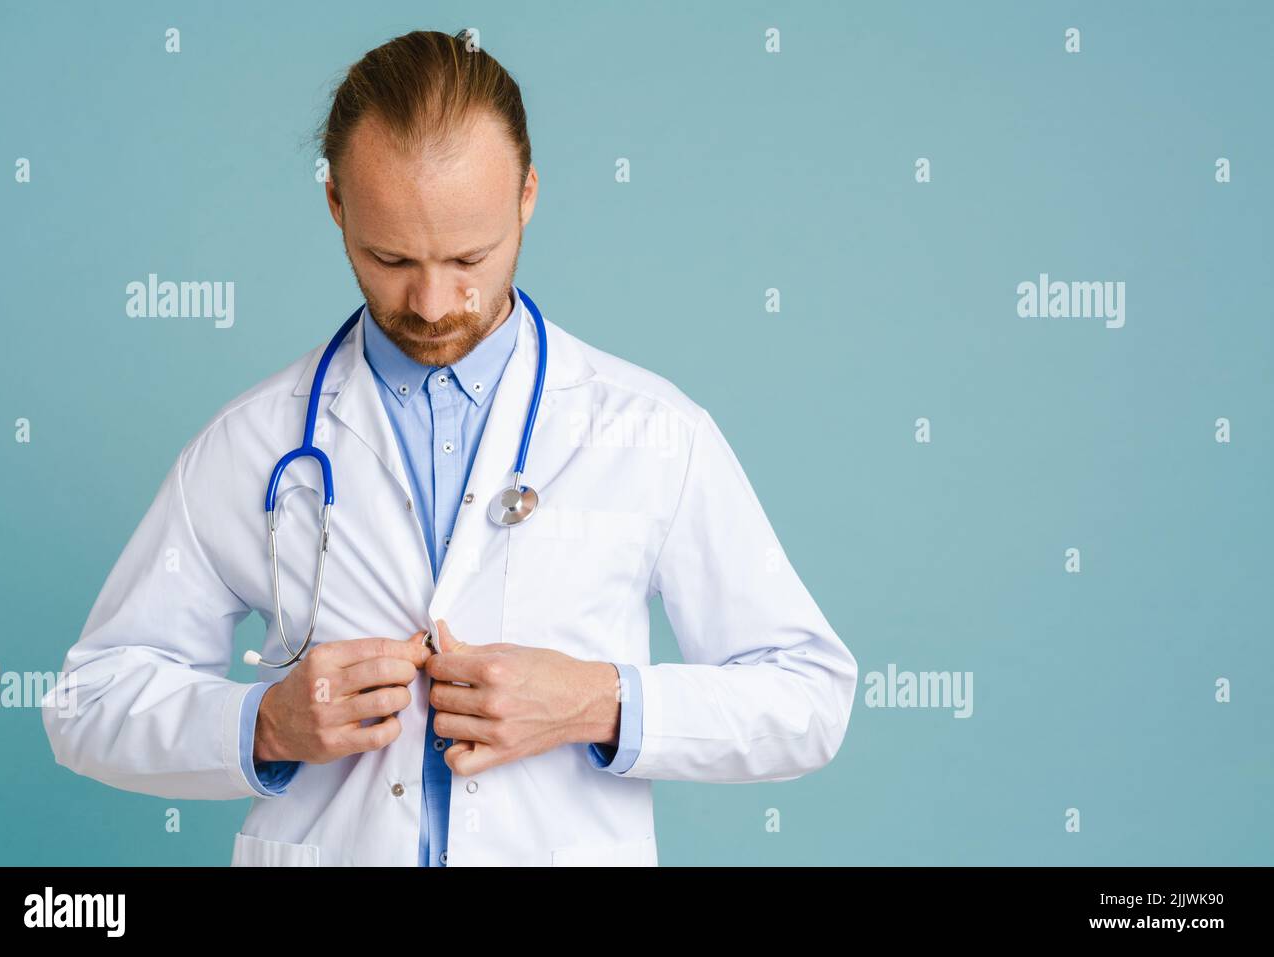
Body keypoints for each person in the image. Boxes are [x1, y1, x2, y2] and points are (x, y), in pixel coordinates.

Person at [42, 29, 858, 867]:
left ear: (527, 196)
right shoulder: (253, 443)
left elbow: (810, 696)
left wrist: (599, 701)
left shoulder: (651, 433)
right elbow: (86, 702)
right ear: (334, 203)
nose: (432, 303)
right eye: (389, 257)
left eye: (470, 256)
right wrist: (267, 722)